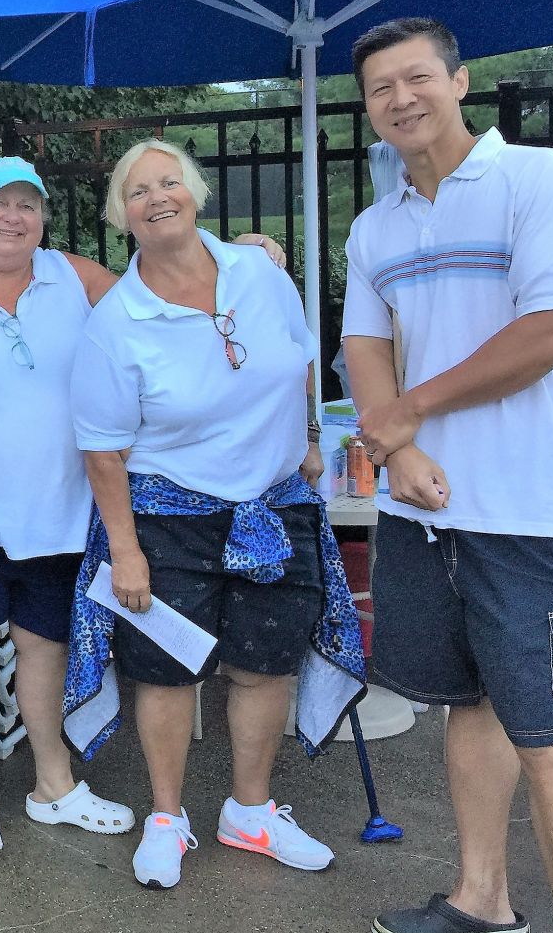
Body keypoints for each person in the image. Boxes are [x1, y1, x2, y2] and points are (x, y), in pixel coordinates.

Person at [0, 156, 284, 856]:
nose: (12, 217)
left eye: (27, 205)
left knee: (46, 651)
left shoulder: (75, 278)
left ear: (43, 216)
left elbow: (166, 291)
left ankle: (53, 787)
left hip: (60, 513)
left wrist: (242, 255)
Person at [343, 18, 553, 933]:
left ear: (461, 81)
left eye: (417, 77)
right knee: (467, 706)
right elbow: (363, 346)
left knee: (546, 735)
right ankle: (482, 900)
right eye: (381, 88)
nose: (401, 98)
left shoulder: (538, 180)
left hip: (529, 509)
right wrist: (398, 449)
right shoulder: (375, 225)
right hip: (425, 510)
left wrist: (413, 409)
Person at [63, 139, 365, 893]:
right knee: (165, 674)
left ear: (196, 193)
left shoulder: (260, 274)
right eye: (139, 191)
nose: (158, 197)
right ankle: (167, 818)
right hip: (166, 519)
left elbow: (299, 359)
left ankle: (251, 812)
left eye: (170, 182)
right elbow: (102, 452)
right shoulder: (114, 323)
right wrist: (125, 552)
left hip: (275, 508)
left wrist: (309, 440)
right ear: (121, 216)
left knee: (266, 666)